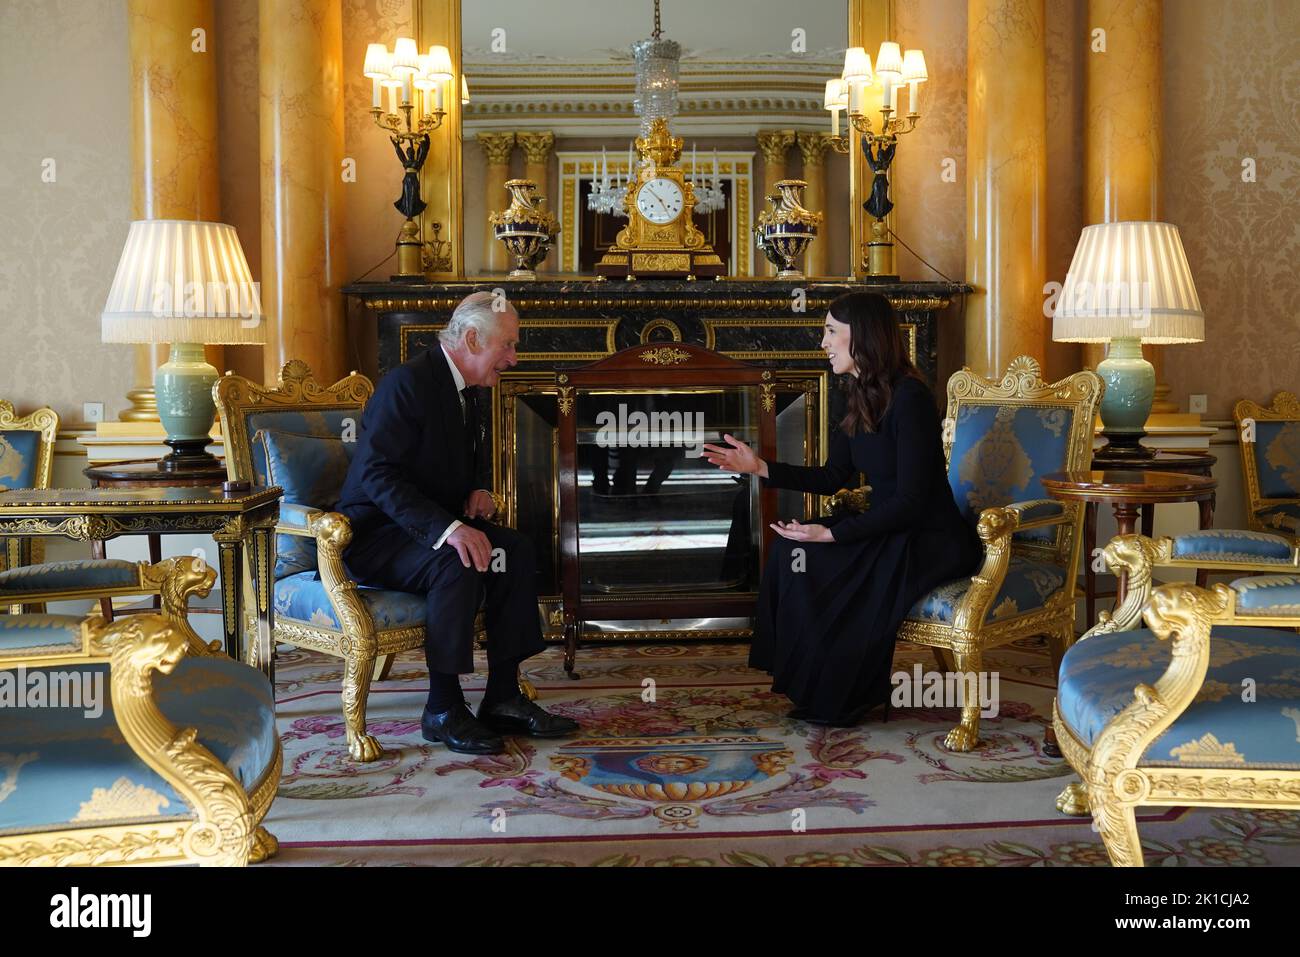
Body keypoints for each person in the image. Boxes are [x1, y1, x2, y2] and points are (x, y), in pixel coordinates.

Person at [702, 291, 982, 725]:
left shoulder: (911, 400)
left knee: (824, 558)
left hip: (930, 538)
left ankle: (844, 694)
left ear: (863, 337)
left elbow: (911, 501)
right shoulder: (860, 394)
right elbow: (834, 477)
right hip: (889, 526)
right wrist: (758, 466)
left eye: (831, 331)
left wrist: (832, 534)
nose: (823, 343)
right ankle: (814, 685)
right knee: (791, 553)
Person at [336, 291, 578, 754]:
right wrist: (450, 530)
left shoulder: (465, 388)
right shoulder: (407, 384)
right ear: (471, 338)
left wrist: (471, 494)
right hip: (376, 535)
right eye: (507, 345)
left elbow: (435, 466)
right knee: (460, 559)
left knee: (513, 550)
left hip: (428, 526)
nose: (513, 357)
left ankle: (504, 695)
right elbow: (377, 473)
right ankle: (442, 707)